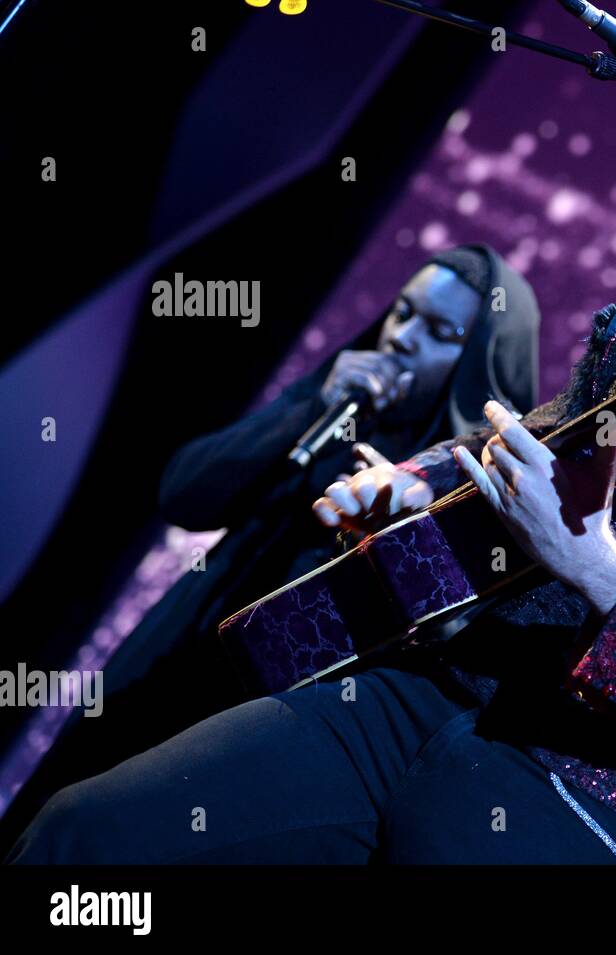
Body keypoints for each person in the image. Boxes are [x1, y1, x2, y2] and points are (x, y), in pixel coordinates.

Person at [8, 80, 616, 866]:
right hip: (425, 694)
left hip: (580, 794)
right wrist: (414, 489)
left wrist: (604, 575)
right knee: (83, 838)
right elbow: (523, 449)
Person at [0, 245, 540, 854]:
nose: (403, 338)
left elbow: (449, 642)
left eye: (440, 332)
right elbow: (185, 493)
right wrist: (308, 408)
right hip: (169, 659)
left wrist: (400, 528)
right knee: (55, 820)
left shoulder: (468, 481)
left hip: (262, 712)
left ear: (480, 357)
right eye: (402, 312)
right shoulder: (336, 404)